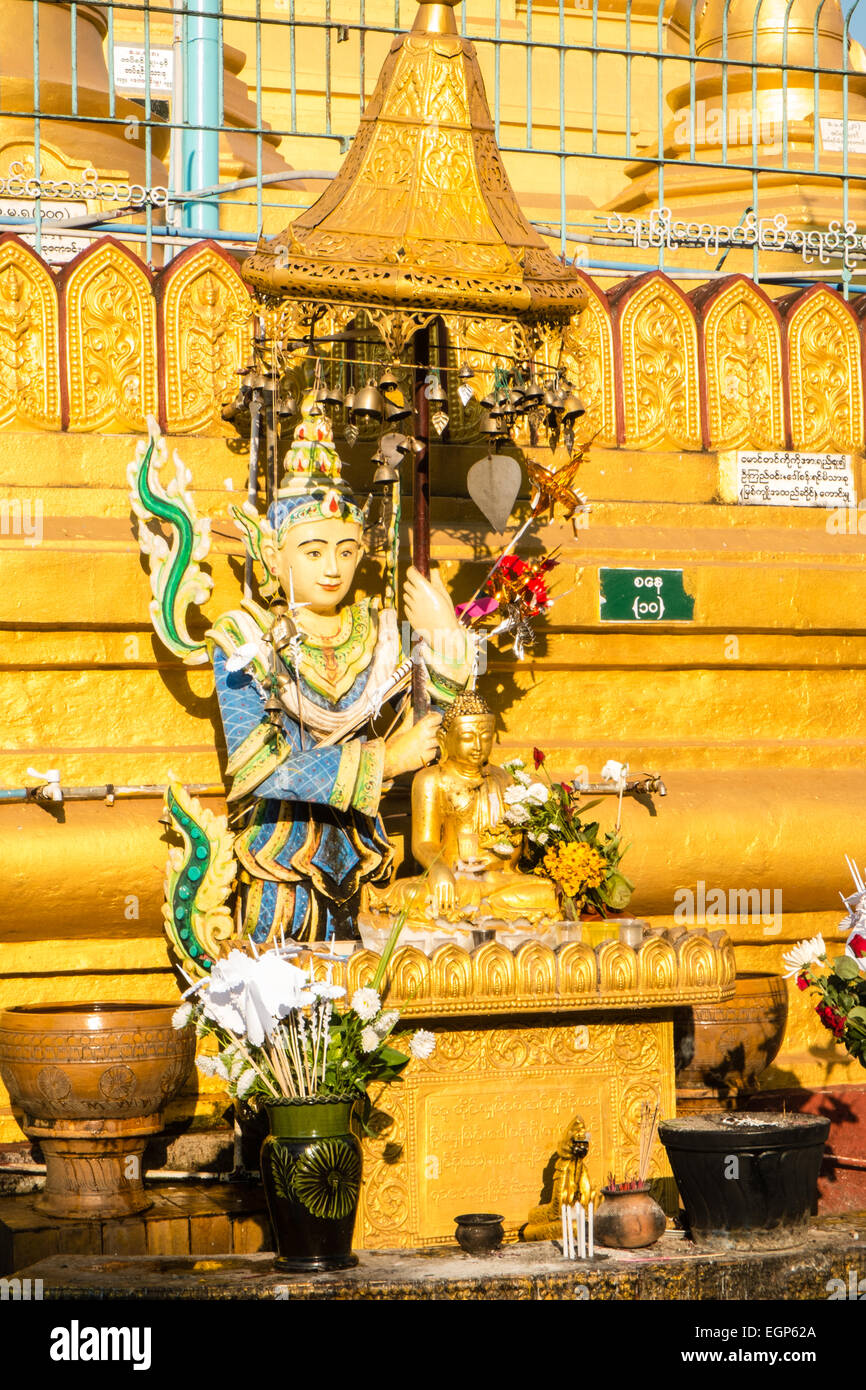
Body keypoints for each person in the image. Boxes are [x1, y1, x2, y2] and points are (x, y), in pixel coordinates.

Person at [207, 394, 473, 943]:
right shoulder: (245, 639)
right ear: (273, 555)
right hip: (279, 863)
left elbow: (441, 731)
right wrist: (386, 759)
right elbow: (260, 769)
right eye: (312, 551)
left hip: (368, 861)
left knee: (367, 1000)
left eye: (347, 551)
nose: (333, 568)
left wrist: (445, 637)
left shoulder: (379, 636)